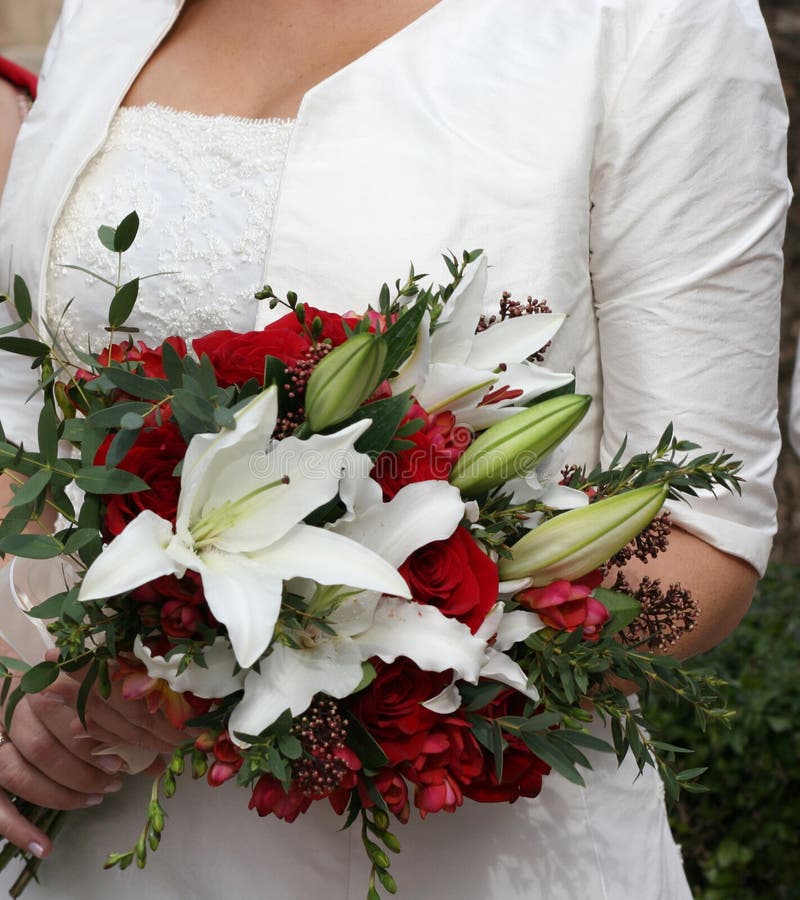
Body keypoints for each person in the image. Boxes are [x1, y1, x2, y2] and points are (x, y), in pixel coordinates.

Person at [0, 1, 790, 897]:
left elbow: (703, 545)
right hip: (91, 822)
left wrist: (321, 665)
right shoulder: (109, 13)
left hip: (451, 848)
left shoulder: (653, 21)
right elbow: (25, 405)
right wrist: (31, 661)